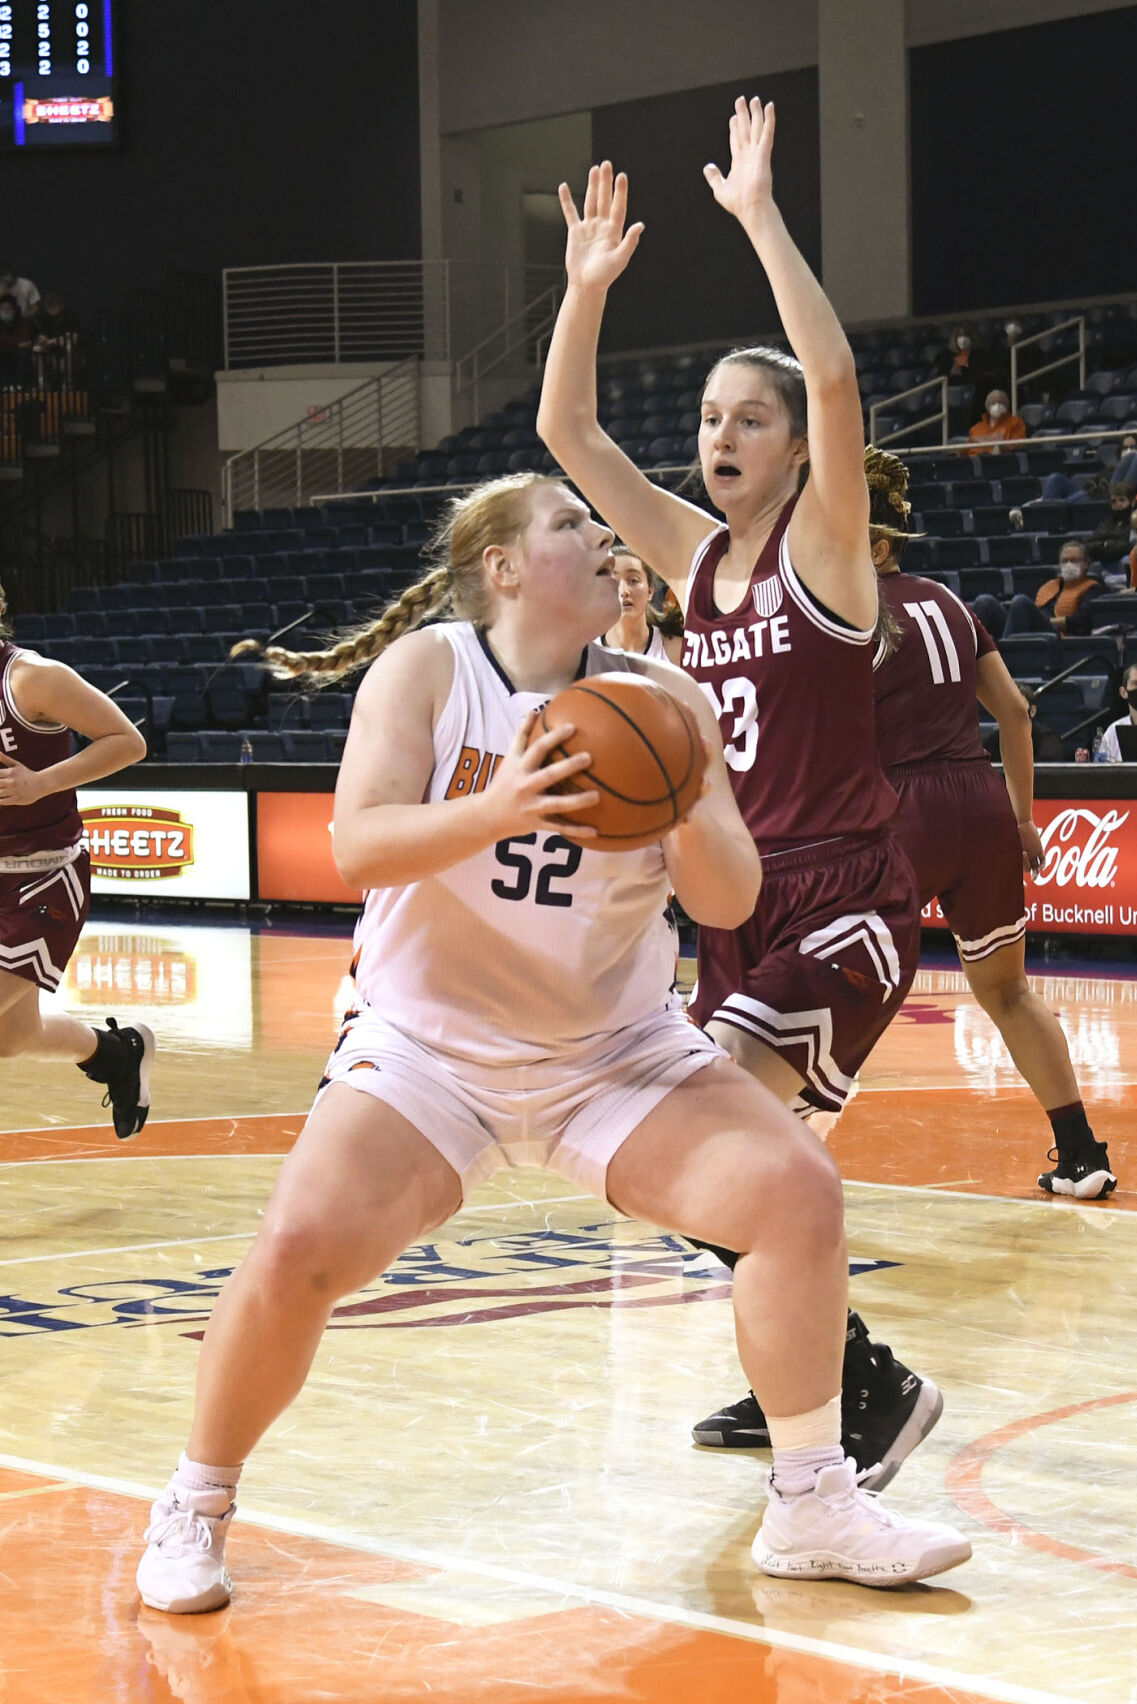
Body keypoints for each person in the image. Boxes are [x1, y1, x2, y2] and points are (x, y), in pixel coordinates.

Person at [135, 472, 971, 1614]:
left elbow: (725, 902)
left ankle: (812, 1501)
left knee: (793, 1193)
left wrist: (680, 798)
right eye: (571, 524)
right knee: (298, 1249)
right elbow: (359, 847)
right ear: (505, 567)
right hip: (429, 1048)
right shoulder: (429, 671)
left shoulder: (663, 697)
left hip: (611, 1055)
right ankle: (196, 1501)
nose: (601, 538)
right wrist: (502, 805)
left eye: (600, 522)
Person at [536, 104, 944, 1477]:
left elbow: (835, 381)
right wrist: (585, 290)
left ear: (787, 447)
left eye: (747, 418)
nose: (722, 434)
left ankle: (859, 1376)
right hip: (739, 903)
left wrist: (760, 217)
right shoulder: (693, 559)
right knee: (706, 1164)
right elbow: (567, 428)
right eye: (709, 416)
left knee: (714, 1111)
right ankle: (813, 1370)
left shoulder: (827, 553)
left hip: (845, 896)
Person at [868, 451, 1114, 1199]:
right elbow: (1013, 712)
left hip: (897, 806)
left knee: (845, 986)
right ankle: (1081, 1155)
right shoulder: (950, 600)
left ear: (878, 543)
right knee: (1007, 992)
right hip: (977, 800)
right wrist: (1023, 817)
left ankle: (768, 1163)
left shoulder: (844, 609)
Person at [0, 579, 154, 1136]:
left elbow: (126, 741)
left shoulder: (33, 678)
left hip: (40, 880)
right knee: (12, 1038)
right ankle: (115, 1054)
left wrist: (41, 782)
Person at [971, 540, 1101, 640]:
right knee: (984, 602)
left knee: (1020, 602)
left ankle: (1006, 659)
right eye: (1065, 561)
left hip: (1057, 637)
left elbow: (1079, 621)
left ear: (1085, 564)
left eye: (1074, 560)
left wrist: (1044, 621)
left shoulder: (1091, 587)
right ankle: (969, 660)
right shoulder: (1050, 586)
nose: (1069, 565)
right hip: (1034, 626)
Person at [601, 545, 684, 662]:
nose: (624, 591)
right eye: (614, 581)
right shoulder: (583, 652)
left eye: (633, 581)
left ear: (650, 591)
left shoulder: (676, 650)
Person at [982, 684, 1069, 763]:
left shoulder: (1046, 738)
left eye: (1018, 707)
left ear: (1032, 711)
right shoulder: (994, 739)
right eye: (1008, 706)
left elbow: (1049, 767)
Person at [1085, 481, 1137, 568]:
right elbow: (1087, 544)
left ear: (1133, 501)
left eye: (1122, 500)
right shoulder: (1107, 522)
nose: (1118, 504)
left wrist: (1105, 545)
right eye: (1114, 501)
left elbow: (1131, 546)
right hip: (1104, 561)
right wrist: (1104, 545)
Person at [966, 389, 1027, 455]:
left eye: (1001, 402)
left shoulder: (1016, 423)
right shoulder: (975, 429)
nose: (997, 405)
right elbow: (966, 451)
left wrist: (1000, 448)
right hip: (978, 463)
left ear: (1007, 405)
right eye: (993, 402)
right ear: (987, 406)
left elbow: (1018, 446)